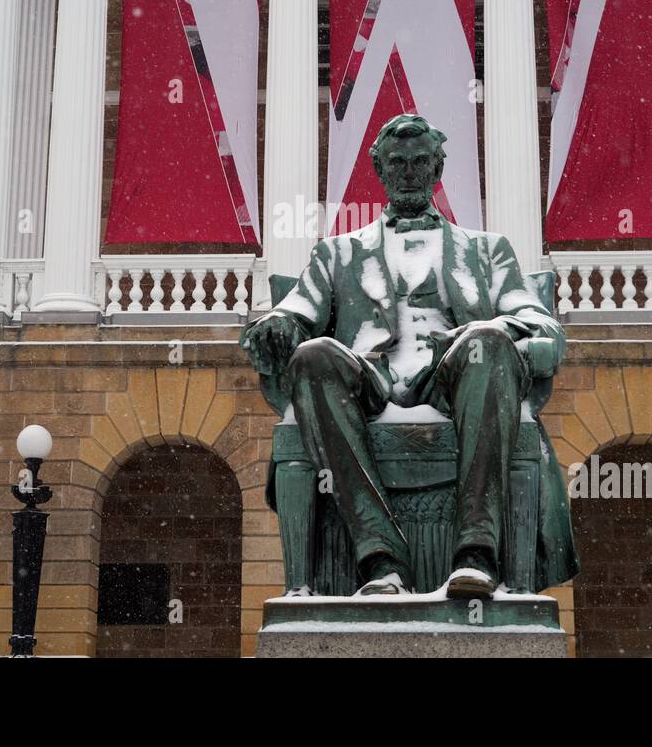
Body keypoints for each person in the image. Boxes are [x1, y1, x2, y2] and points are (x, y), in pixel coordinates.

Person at [241, 114, 566, 599]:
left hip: (453, 376)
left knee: (488, 345)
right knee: (311, 357)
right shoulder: (338, 253)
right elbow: (295, 312)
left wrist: (491, 331)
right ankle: (380, 556)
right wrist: (276, 327)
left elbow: (541, 325)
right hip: (369, 381)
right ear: (380, 170)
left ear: (438, 168)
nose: (409, 172)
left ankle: (476, 554)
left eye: (419, 162)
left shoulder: (487, 250)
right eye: (397, 163)